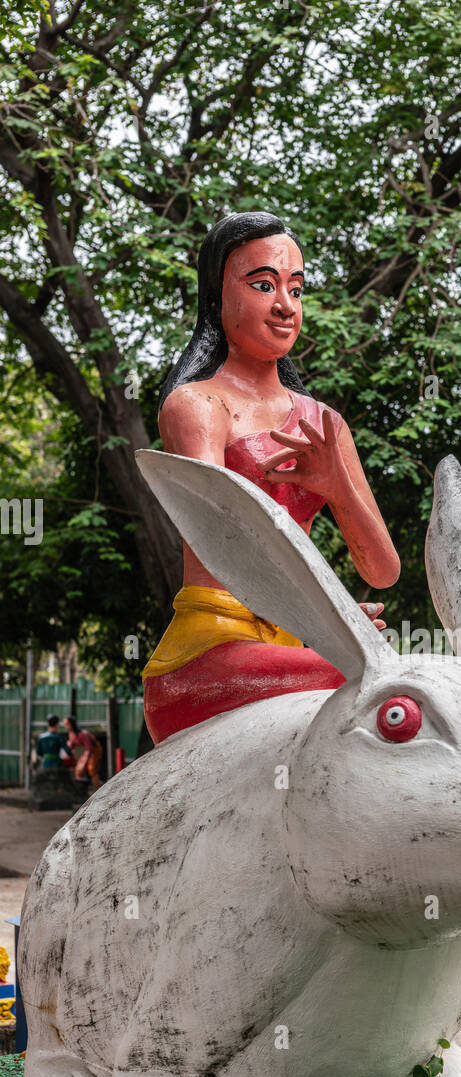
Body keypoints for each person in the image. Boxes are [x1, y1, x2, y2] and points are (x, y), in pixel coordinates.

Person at [142, 211, 400, 744]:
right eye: (263, 285)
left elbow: (382, 570)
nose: (285, 306)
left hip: (296, 644)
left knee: (396, 687)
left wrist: (337, 486)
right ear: (217, 298)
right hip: (212, 649)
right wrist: (329, 620)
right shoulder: (198, 406)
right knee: (384, 684)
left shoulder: (324, 422)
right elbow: (221, 548)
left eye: (296, 289)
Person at [63, 716, 103, 791]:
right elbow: (70, 747)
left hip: (95, 750)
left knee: (92, 769)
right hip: (88, 751)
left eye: (67, 724)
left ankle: (98, 788)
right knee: (79, 769)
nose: (65, 726)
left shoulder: (82, 734)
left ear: (72, 724)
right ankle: (84, 789)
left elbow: (89, 748)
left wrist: (85, 761)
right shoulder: (71, 734)